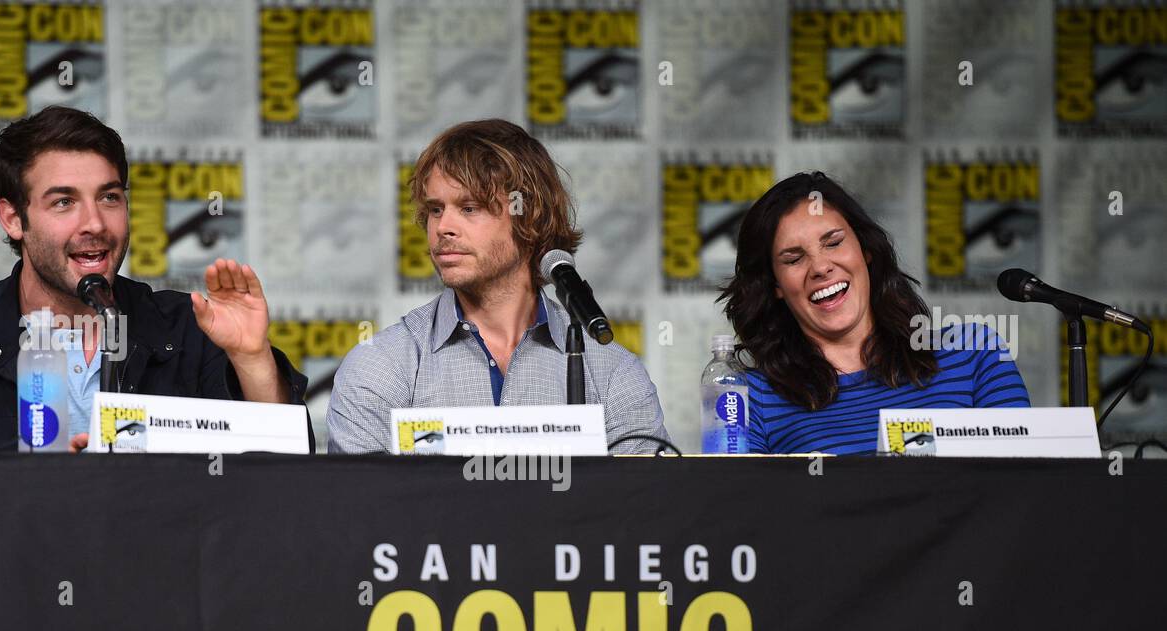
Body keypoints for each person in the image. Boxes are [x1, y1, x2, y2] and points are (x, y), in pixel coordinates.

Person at [0, 105, 311, 452]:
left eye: (109, 197)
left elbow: (278, 479)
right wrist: (55, 485)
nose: (94, 223)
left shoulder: (191, 328)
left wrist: (252, 359)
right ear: (13, 218)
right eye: (64, 202)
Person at [326, 118, 668, 455]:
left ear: (528, 216)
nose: (443, 227)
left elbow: (643, 505)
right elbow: (361, 507)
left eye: (469, 207)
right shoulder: (380, 366)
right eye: (435, 209)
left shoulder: (611, 373)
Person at [718, 171, 1030, 454]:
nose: (821, 267)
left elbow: (1023, 487)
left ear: (866, 250)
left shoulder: (973, 353)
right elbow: (744, 510)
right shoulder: (749, 399)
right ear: (775, 284)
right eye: (793, 259)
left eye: (834, 242)